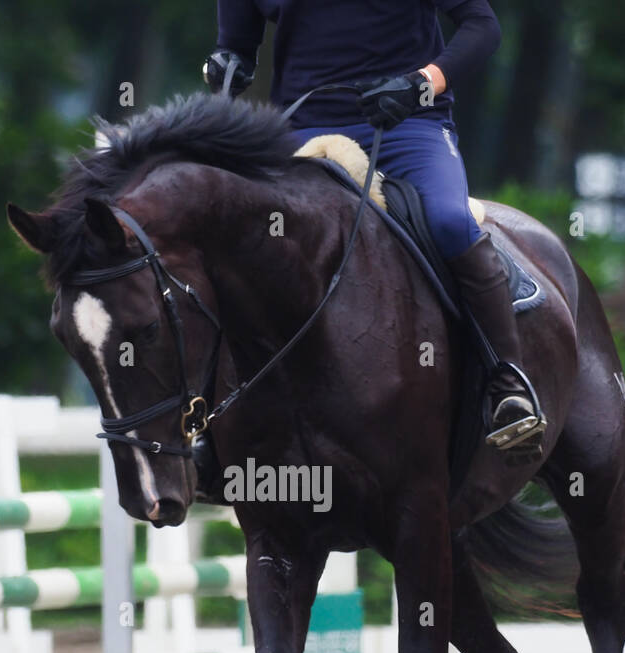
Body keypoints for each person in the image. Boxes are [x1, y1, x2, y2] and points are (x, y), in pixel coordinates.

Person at [204, 0, 544, 455]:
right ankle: (212, 417)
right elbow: (236, 46)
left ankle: (507, 381)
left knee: (448, 221)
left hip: (409, 123)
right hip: (298, 129)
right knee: (233, 242)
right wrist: (227, 64)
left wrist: (421, 83)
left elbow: (483, 28)